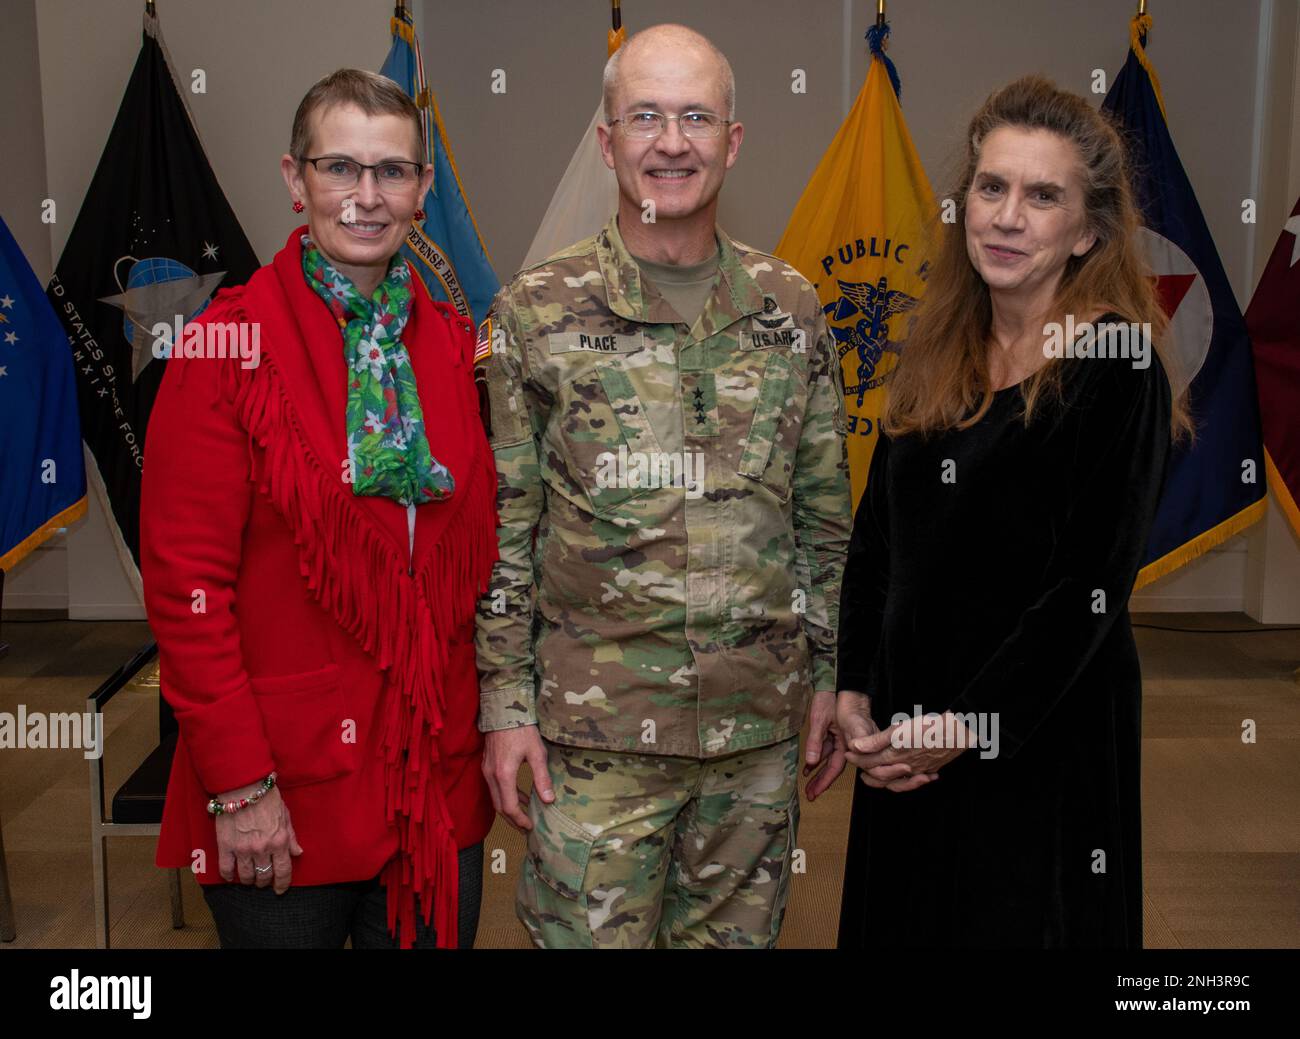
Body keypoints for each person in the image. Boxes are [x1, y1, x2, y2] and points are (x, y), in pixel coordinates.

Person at [473, 23, 852, 948]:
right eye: (645, 116)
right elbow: (505, 530)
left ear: (732, 139)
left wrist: (831, 680)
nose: (671, 141)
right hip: (597, 741)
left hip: (754, 735)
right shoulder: (536, 311)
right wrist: (505, 707)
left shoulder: (790, 308)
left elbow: (823, 519)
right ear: (608, 143)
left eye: (695, 116)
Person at [141, 68, 498, 948]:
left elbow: (477, 558)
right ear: (295, 180)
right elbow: (187, 589)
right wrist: (239, 785)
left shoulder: (454, 343)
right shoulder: (226, 343)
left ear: (422, 189)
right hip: (285, 792)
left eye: (393, 172)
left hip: (431, 784)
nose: (367, 197)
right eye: (341, 168)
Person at [833, 75, 1192, 948]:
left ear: (1090, 229)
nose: (1007, 216)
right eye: (991, 188)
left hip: (1041, 734)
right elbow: (878, 538)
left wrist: (967, 726)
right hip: (908, 730)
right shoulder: (938, 342)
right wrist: (853, 686)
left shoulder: (1117, 365)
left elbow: (1088, 589)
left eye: (1042, 197)